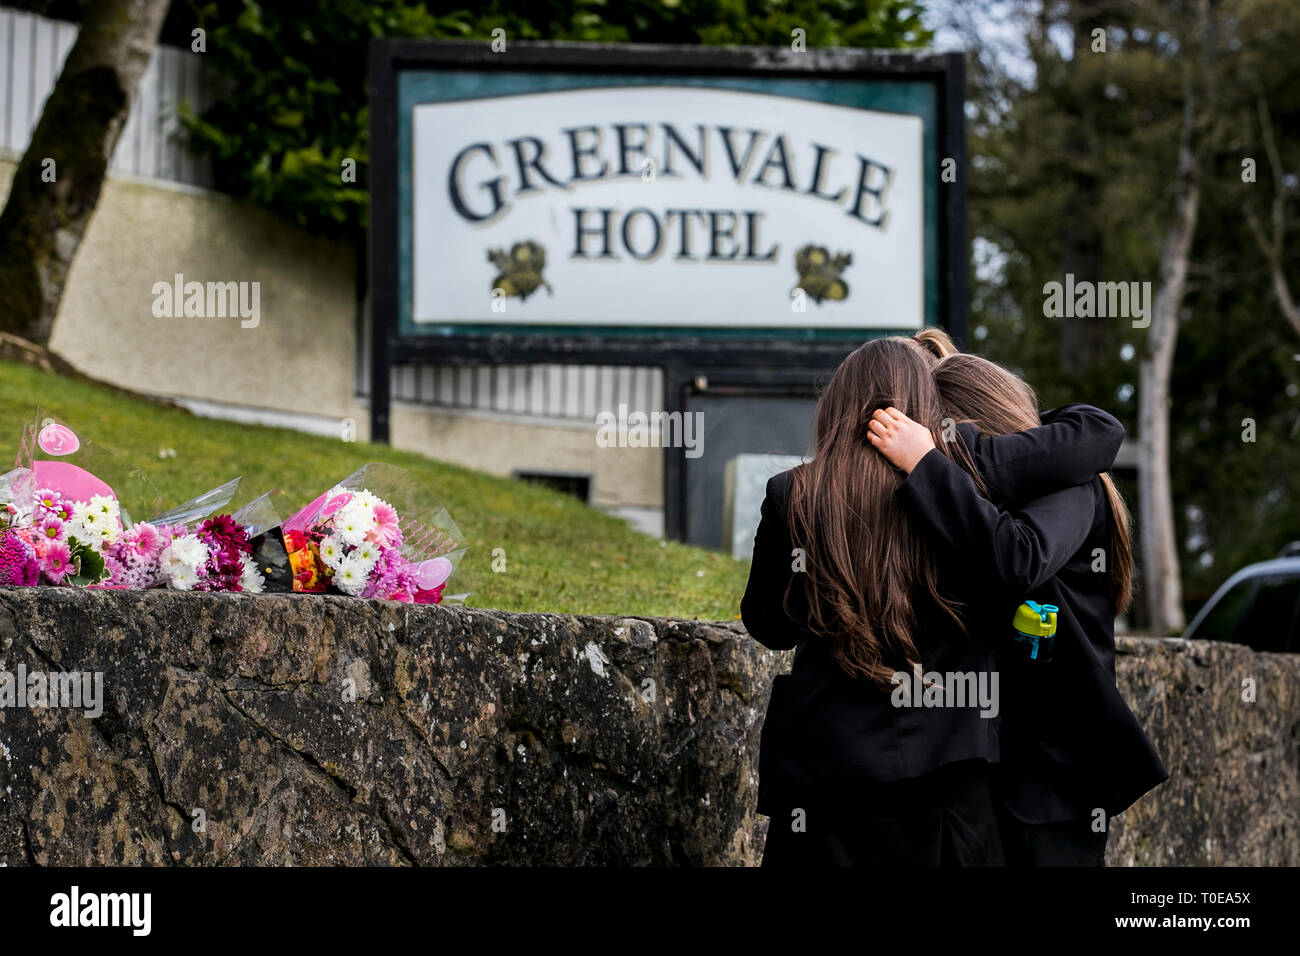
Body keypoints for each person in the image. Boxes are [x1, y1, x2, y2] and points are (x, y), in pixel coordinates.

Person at [741, 336, 1124, 866]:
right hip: (952, 778)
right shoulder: (961, 500)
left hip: (823, 779)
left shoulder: (793, 493)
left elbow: (769, 625)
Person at [869, 348, 1168, 866]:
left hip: (1049, 785)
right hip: (980, 772)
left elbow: (1017, 557)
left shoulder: (1069, 488)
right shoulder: (961, 504)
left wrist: (935, 459)